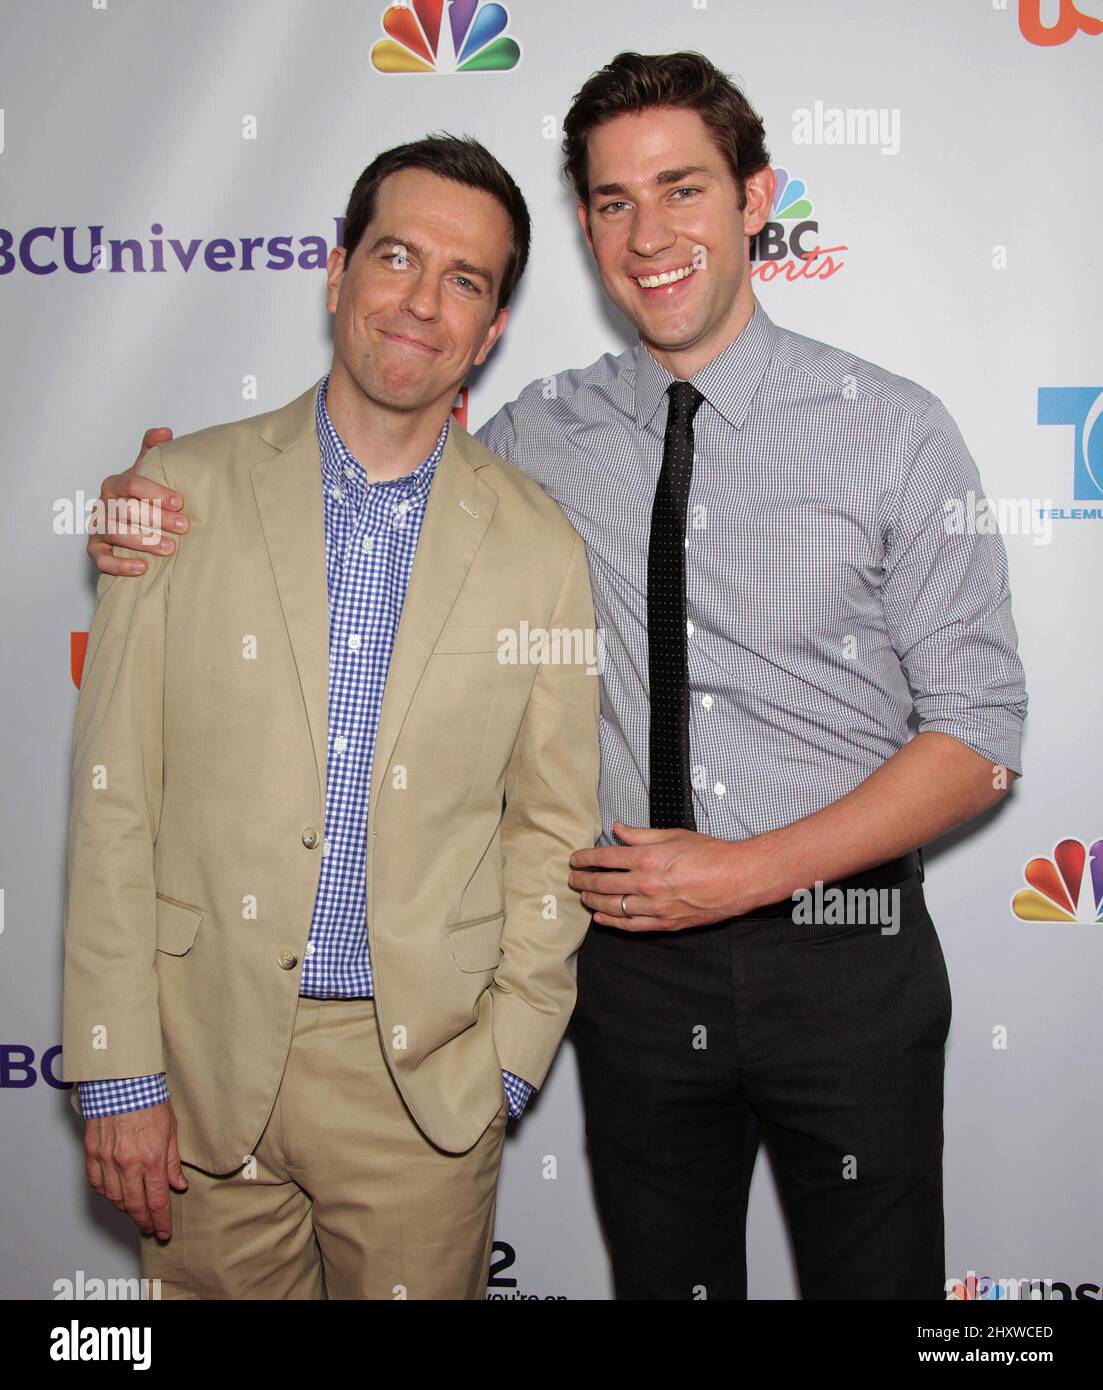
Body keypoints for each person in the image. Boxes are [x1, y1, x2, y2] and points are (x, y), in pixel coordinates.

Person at [84, 53, 1027, 1300]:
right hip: (631, 976)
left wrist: (742, 872)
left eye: (682, 189)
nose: (649, 234)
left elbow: (978, 732)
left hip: (841, 955)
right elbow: (371, 445)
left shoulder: (896, 430)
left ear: (757, 198)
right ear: (583, 228)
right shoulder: (534, 441)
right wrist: (147, 494)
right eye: (612, 201)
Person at [62, 135, 601, 1300]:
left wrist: (505, 1063)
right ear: (336, 271)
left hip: (422, 1086)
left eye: (465, 280)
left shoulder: (541, 550)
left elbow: (552, 829)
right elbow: (115, 805)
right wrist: (114, 1069)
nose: (421, 301)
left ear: (493, 327)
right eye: (397, 256)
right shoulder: (178, 500)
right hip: (199, 1063)